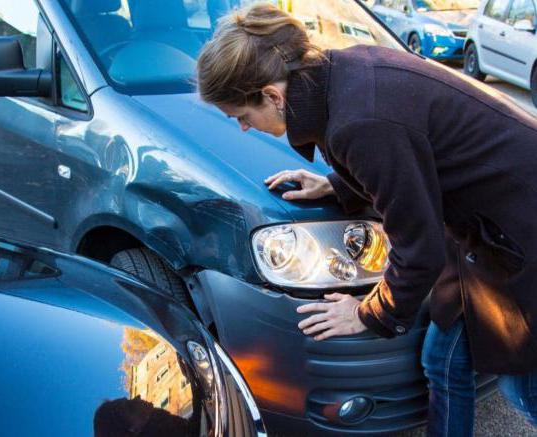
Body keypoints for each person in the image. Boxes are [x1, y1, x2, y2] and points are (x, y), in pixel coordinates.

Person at [196, 3, 537, 436]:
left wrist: (369, 313)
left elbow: (420, 249)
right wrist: (337, 185)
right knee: (443, 359)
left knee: (523, 385)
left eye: (242, 117)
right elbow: (411, 156)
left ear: (272, 96)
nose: (243, 128)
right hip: (493, 230)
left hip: (523, 233)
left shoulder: (358, 122)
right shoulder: (344, 73)